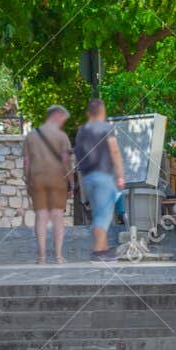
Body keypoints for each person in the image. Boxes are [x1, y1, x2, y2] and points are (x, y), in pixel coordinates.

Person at [73, 97, 125, 260]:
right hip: (103, 176)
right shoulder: (106, 128)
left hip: (87, 177)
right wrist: (121, 175)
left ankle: (103, 248)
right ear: (102, 112)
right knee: (104, 215)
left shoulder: (81, 131)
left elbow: (77, 154)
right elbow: (114, 151)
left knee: (98, 213)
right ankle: (98, 251)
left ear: (89, 113)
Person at [23, 106, 73, 264]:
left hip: (37, 178)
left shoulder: (31, 136)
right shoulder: (61, 136)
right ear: (57, 115)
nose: (63, 123)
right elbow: (66, 161)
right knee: (58, 216)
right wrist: (71, 181)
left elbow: (26, 161)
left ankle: (42, 257)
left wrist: (27, 179)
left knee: (41, 216)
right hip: (58, 178)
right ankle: (58, 256)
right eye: (63, 119)